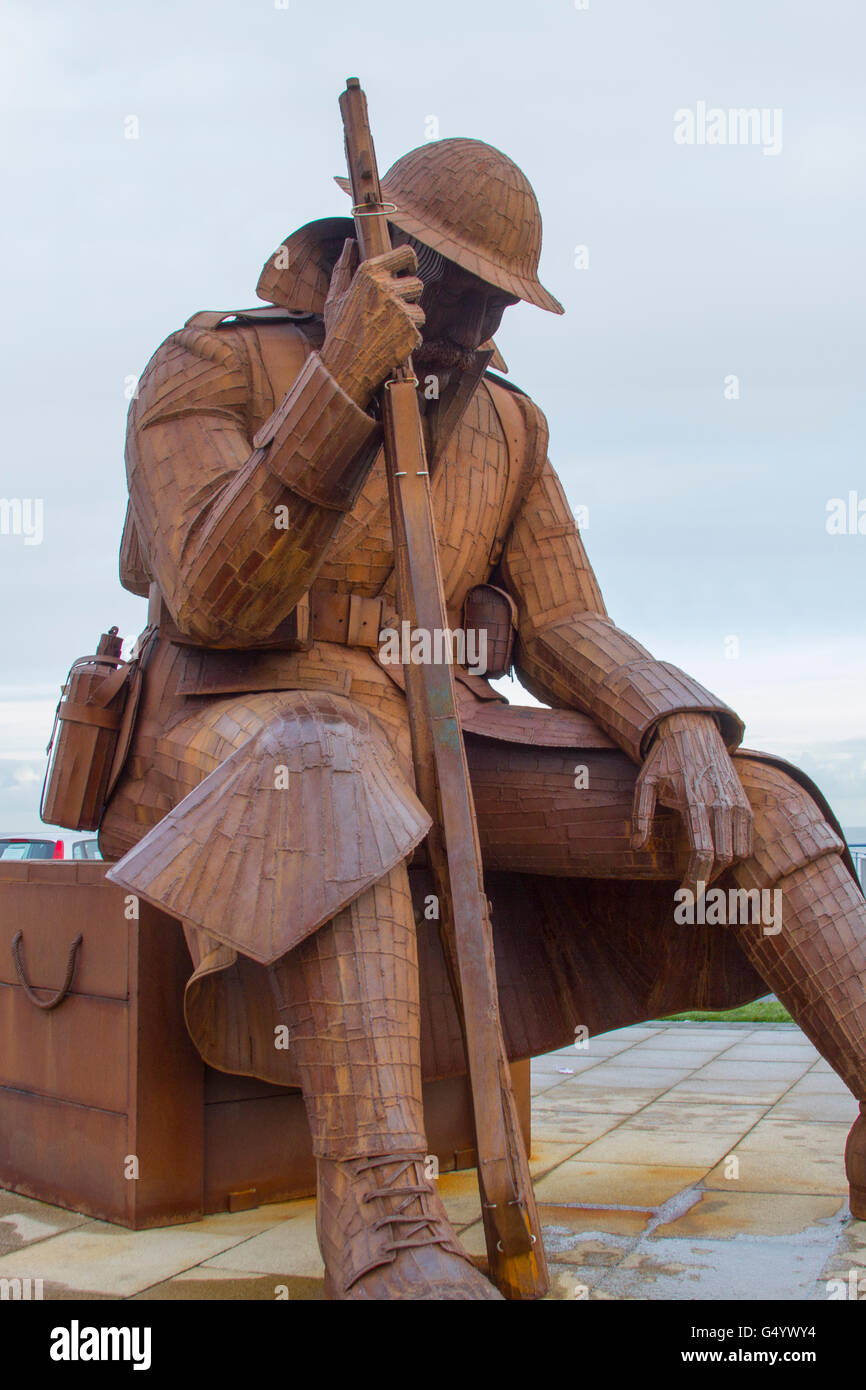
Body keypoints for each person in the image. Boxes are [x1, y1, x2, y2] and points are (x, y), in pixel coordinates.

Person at [101, 138, 866, 1300]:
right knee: (328, 766)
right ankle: (384, 1225)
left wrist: (670, 718)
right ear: (369, 248)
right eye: (442, 281)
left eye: (491, 297)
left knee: (757, 799)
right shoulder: (212, 362)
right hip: (230, 723)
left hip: (439, 729)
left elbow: (564, 625)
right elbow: (211, 592)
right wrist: (336, 389)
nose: (466, 321)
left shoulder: (509, 427)